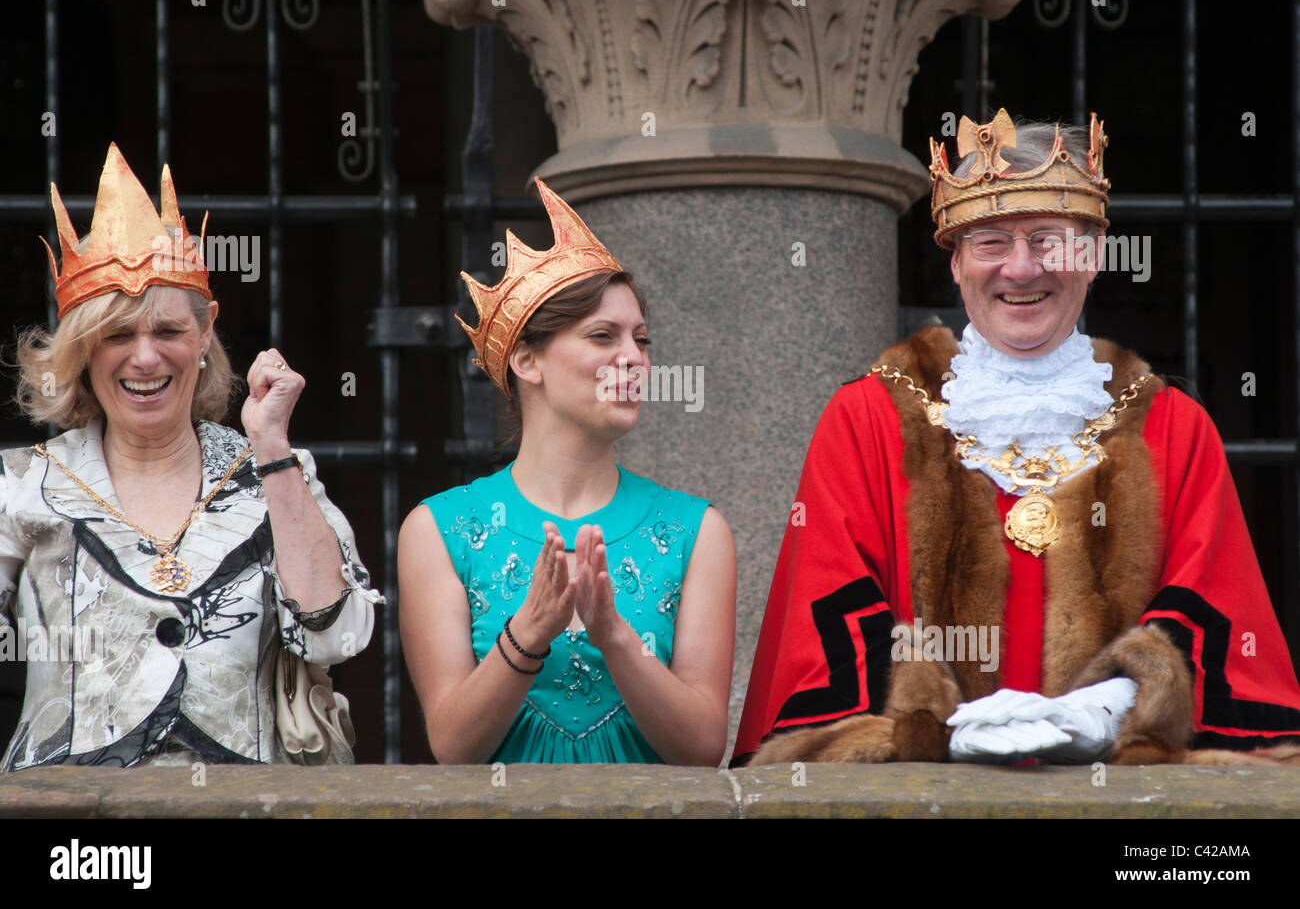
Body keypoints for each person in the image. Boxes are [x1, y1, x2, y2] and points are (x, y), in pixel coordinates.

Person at [734, 109, 1300, 766]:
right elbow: (823, 633)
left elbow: (1218, 623)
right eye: (992, 241)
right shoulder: (866, 420)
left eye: (1048, 240)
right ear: (956, 264)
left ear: (1090, 255)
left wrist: (1105, 710)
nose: (1022, 268)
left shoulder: (1175, 428)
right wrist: (936, 722)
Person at [0, 143, 380, 769]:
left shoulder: (274, 469)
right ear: (83, 352)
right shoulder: (27, 482)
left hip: (249, 813)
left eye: (168, 330)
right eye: (117, 335)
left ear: (206, 333)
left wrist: (273, 452)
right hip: (76, 832)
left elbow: (333, 635)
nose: (144, 357)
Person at [399, 179, 735, 764]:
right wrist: (529, 631)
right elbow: (452, 746)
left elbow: (703, 748)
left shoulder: (697, 531)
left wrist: (616, 640)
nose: (633, 357)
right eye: (602, 336)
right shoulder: (437, 530)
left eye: (642, 339)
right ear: (527, 360)